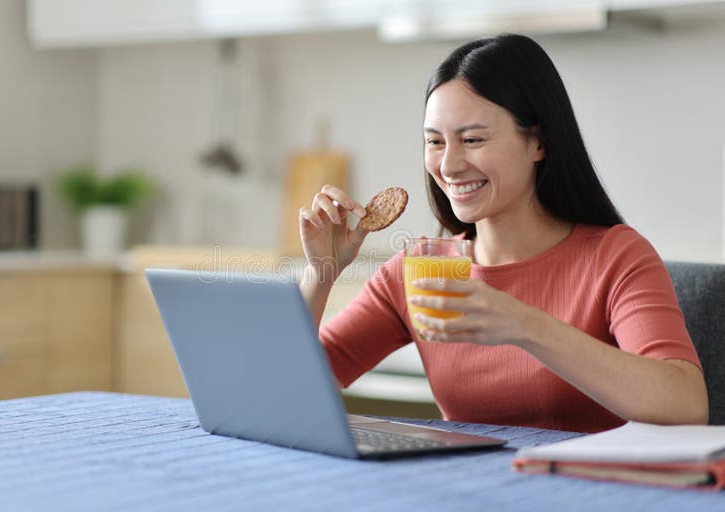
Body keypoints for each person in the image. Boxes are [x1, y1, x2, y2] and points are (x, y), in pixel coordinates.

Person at [297, 33, 708, 433]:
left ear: (539, 142)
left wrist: (524, 325)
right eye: (435, 142)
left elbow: (685, 406)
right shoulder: (420, 270)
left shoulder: (615, 257)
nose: (449, 165)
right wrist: (321, 273)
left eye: (473, 139)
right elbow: (290, 392)